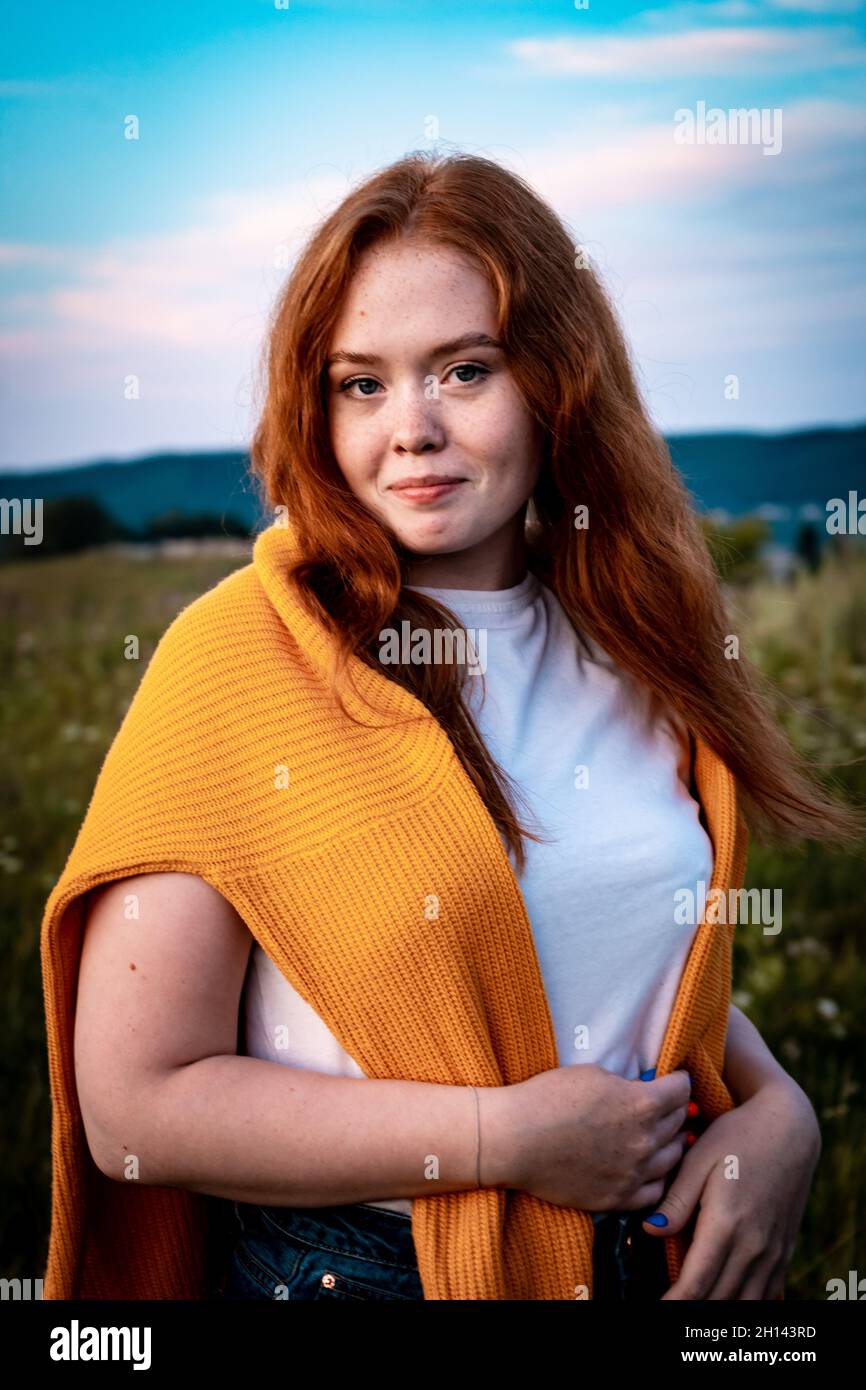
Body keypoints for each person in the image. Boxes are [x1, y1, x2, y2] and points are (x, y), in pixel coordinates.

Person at [42, 152, 858, 1303]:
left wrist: (779, 1114)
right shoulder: (236, 659)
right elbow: (137, 1105)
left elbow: (610, 952)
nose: (410, 428)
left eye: (462, 371)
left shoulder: (634, 634)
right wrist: (498, 1140)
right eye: (359, 384)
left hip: (651, 1264)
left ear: (556, 382)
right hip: (363, 1272)